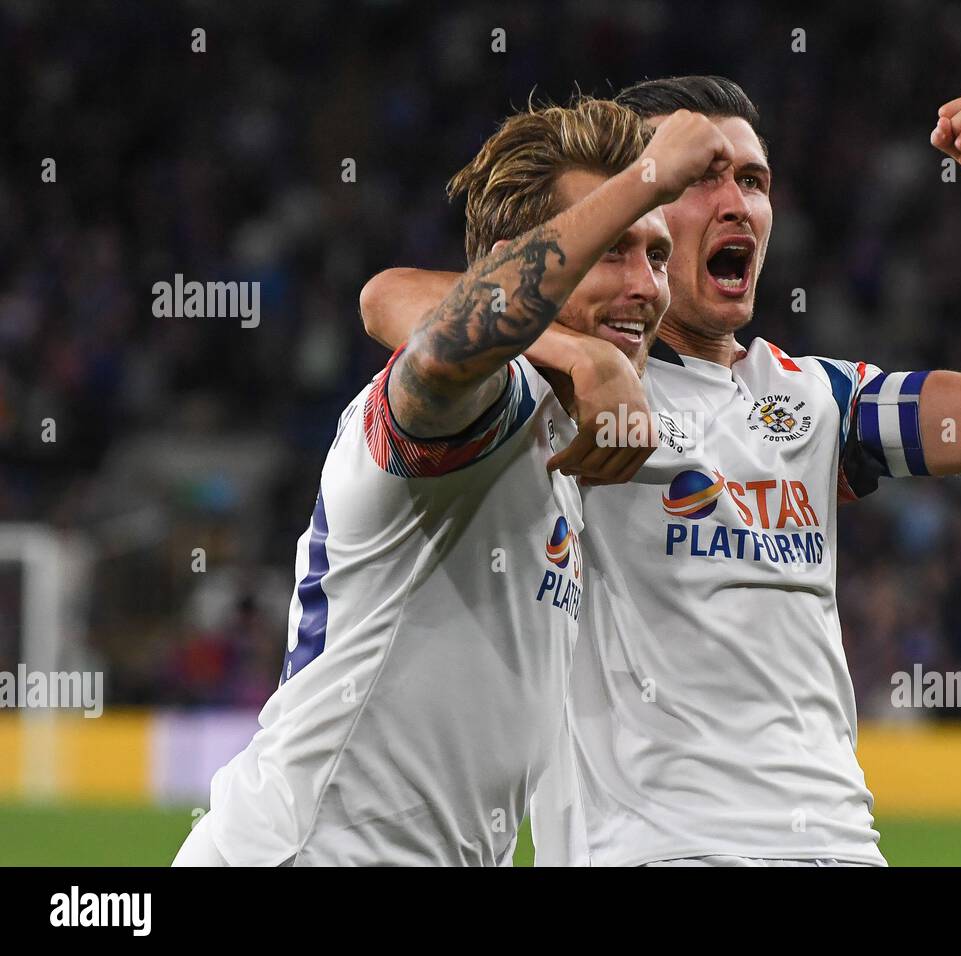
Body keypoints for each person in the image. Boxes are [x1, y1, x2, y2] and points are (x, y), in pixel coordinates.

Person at [359, 77, 961, 866]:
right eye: (699, 176)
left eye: (752, 179)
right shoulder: (550, 388)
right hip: (661, 850)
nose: (736, 202)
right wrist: (582, 355)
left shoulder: (818, 400)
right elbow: (395, 299)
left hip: (843, 845)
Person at [173, 97, 732, 865]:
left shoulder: (571, 439)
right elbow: (435, 343)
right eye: (612, 247)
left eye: (658, 255)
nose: (645, 286)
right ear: (512, 261)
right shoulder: (481, 407)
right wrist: (647, 179)